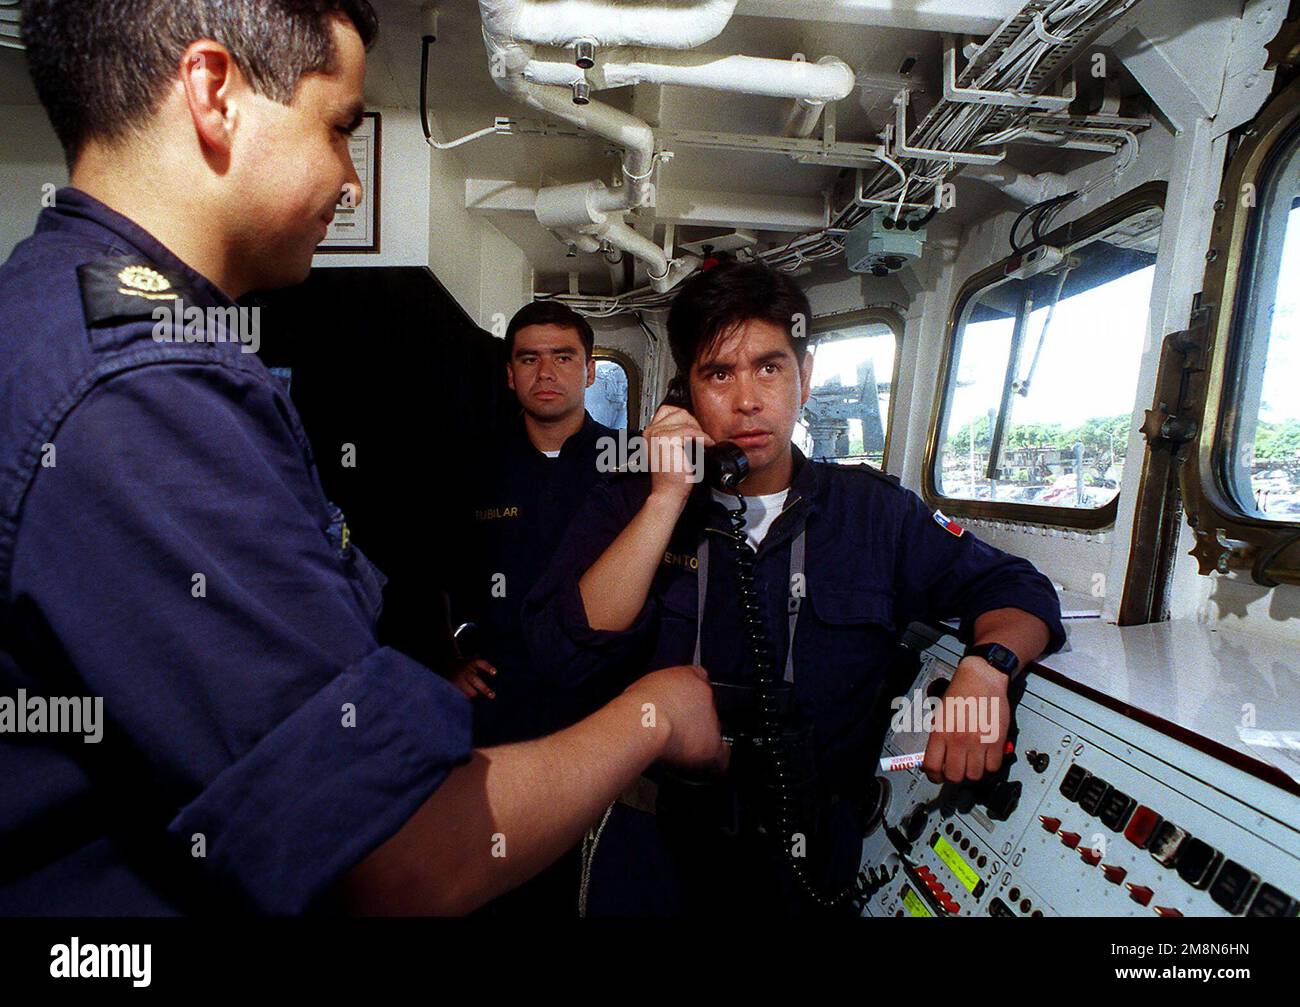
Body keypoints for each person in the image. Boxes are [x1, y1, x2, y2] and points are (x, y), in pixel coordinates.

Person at [0, 0, 724, 916]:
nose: (351, 178)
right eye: (340, 127)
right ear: (214, 90)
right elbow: (406, 856)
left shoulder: (57, 317)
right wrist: (653, 715)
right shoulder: (140, 394)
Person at [523, 260, 1066, 916]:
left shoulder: (874, 514)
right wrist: (667, 496)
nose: (748, 399)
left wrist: (990, 667)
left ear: (804, 377)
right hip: (656, 847)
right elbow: (563, 647)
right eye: (719, 374)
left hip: (813, 856)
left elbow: (1018, 588)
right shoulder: (628, 505)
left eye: (770, 367)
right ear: (684, 393)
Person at [446, 301, 618, 747]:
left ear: (590, 372)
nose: (545, 373)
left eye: (563, 357)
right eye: (529, 359)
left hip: (602, 691)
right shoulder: (472, 466)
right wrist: (445, 658)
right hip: (502, 691)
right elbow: (427, 570)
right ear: (510, 374)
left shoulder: (632, 463)